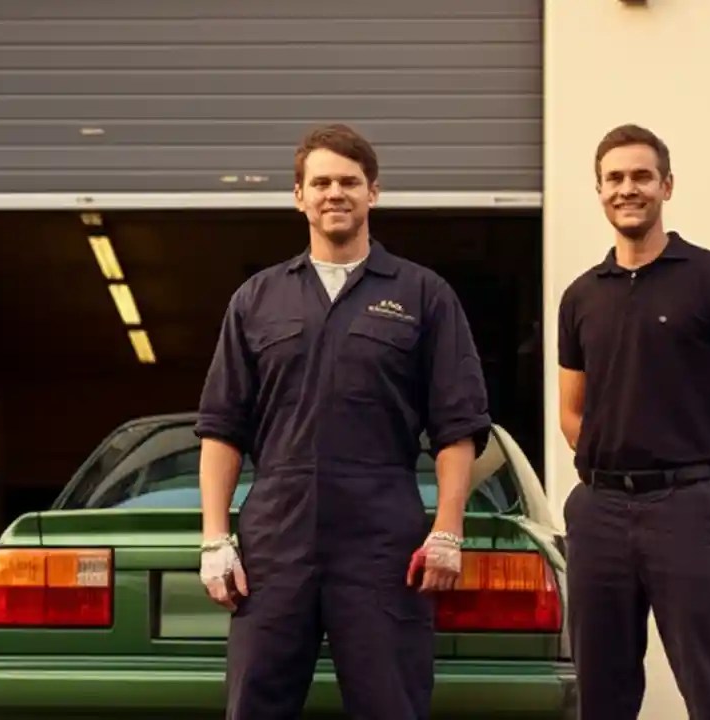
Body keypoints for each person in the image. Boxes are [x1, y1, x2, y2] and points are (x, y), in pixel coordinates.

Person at [194, 123, 491, 720]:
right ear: (298, 195)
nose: (335, 193)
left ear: (373, 194)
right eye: (321, 182)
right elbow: (222, 428)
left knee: (392, 707)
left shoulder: (423, 295)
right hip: (276, 541)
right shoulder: (257, 299)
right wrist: (214, 539)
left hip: (383, 542)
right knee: (254, 706)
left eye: (349, 182)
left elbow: (457, 427)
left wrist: (448, 530)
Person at [557, 123, 710, 720]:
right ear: (599, 189)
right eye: (614, 178)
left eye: (640, 176)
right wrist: (613, 470)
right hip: (597, 513)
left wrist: (707, 487)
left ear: (667, 185)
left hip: (685, 509)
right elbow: (572, 410)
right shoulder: (581, 296)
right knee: (602, 698)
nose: (627, 188)